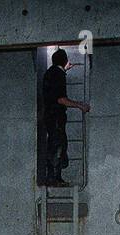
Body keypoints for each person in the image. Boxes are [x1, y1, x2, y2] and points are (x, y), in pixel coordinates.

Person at [41, 48, 90, 188]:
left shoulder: (50, 73)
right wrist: (80, 105)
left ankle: (52, 177)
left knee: (54, 143)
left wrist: (64, 70)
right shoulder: (58, 75)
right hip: (56, 116)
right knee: (58, 145)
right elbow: (61, 99)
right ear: (65, 60)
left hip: (50, 116)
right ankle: (54, 178)